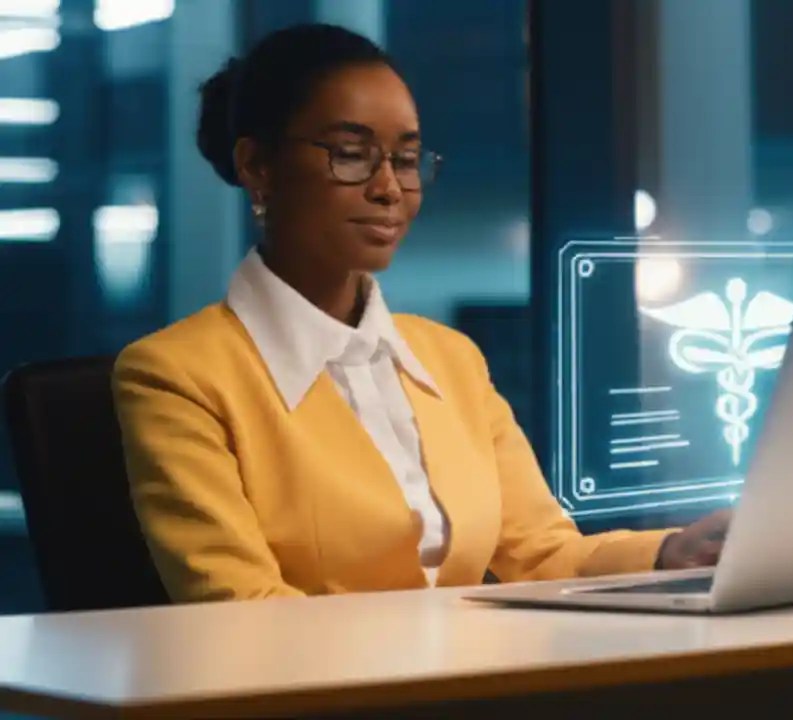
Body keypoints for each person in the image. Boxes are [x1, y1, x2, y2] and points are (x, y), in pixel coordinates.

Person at [113, 23, 729, 603]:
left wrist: (672, 551)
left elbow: (542, 554)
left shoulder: (449, 359)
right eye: (350, 153)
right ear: (257, 166)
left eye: (405, 159)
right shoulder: (176, 376)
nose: (389, 187)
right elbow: (243, 610)